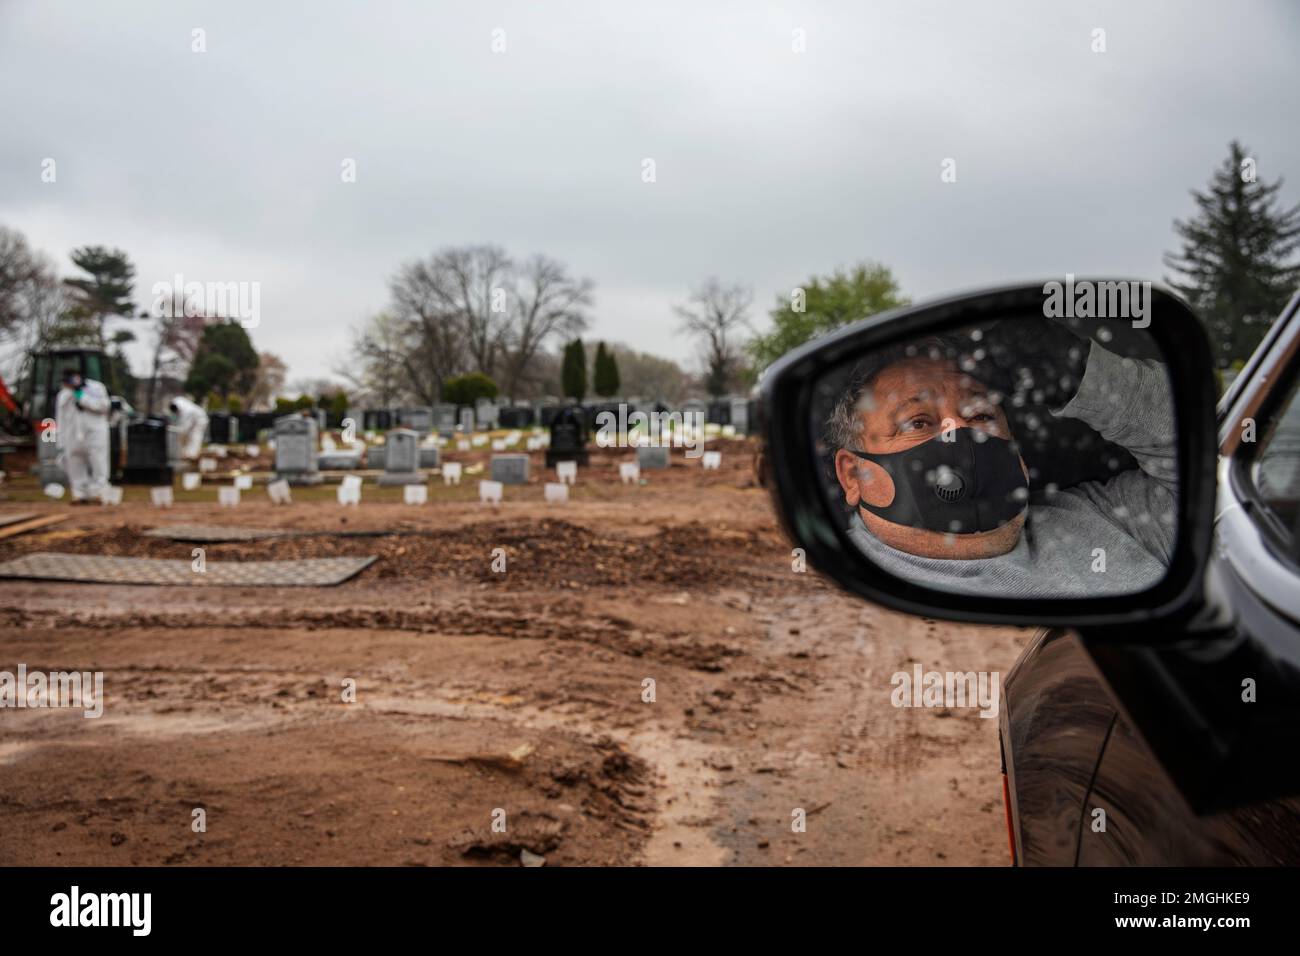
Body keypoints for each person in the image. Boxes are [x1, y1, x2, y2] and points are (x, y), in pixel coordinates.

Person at [828, 325, 1177, 597]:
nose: (959, 433)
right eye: (917, 423)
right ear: (852, 476)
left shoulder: (1107, 517)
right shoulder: (835, 585)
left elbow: (1206, 463)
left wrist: (1084, 375)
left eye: (980, 414)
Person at [55, 369, 111, 503]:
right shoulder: (63, 395)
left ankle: (99, 493)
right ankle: (80, 494)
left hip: (95, 432)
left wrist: (82, 397)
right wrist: (60, 441)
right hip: (72, 434)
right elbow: (60, 419)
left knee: (98, 462)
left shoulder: (96, 388)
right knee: (75, 462)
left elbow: (104, 406)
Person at [169, 394, 210, 460]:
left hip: (200, 419)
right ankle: (187, 454)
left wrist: (180, 434)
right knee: (188, 437)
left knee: (195, 437)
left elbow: (184, 428)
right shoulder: (177, 402)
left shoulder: (186, 411)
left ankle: (191, 456)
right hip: (195, 419)